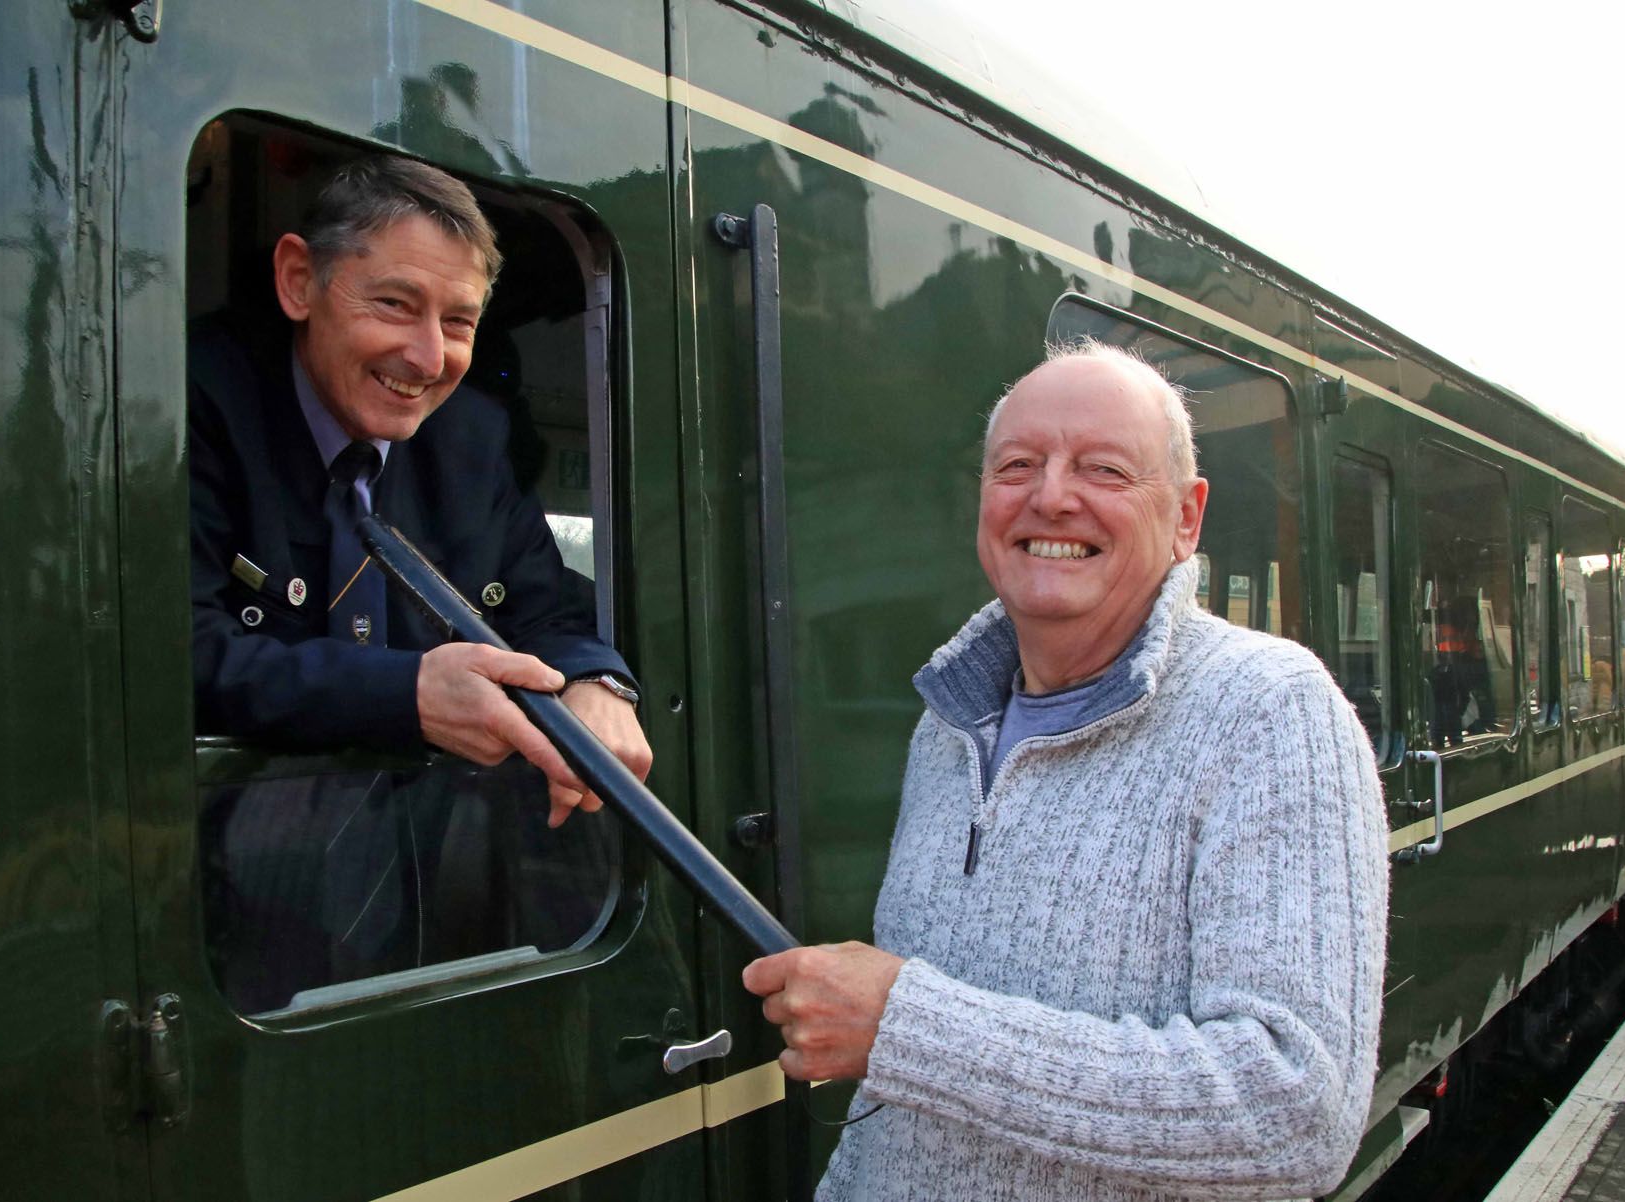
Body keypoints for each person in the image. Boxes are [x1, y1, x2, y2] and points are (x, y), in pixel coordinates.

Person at [744, 342, 1388, 1199]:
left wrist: (909, 1027)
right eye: (1018, 465)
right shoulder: (949, 723)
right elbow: (900, 1114)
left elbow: (1294, 1110)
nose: (1051, 496)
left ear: (1187, 520)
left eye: (1105, 470)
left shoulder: (1271, 712)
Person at [189, 156, 649, 1009]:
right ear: (299, 280)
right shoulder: (195, 400)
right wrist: (406, 694)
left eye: (461, 321)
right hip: (219, 922)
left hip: (427, 913)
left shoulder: (471, 437)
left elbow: (548, 608)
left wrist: (595, 681)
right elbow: (178, 648)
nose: (429, 356)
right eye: (395, 304)